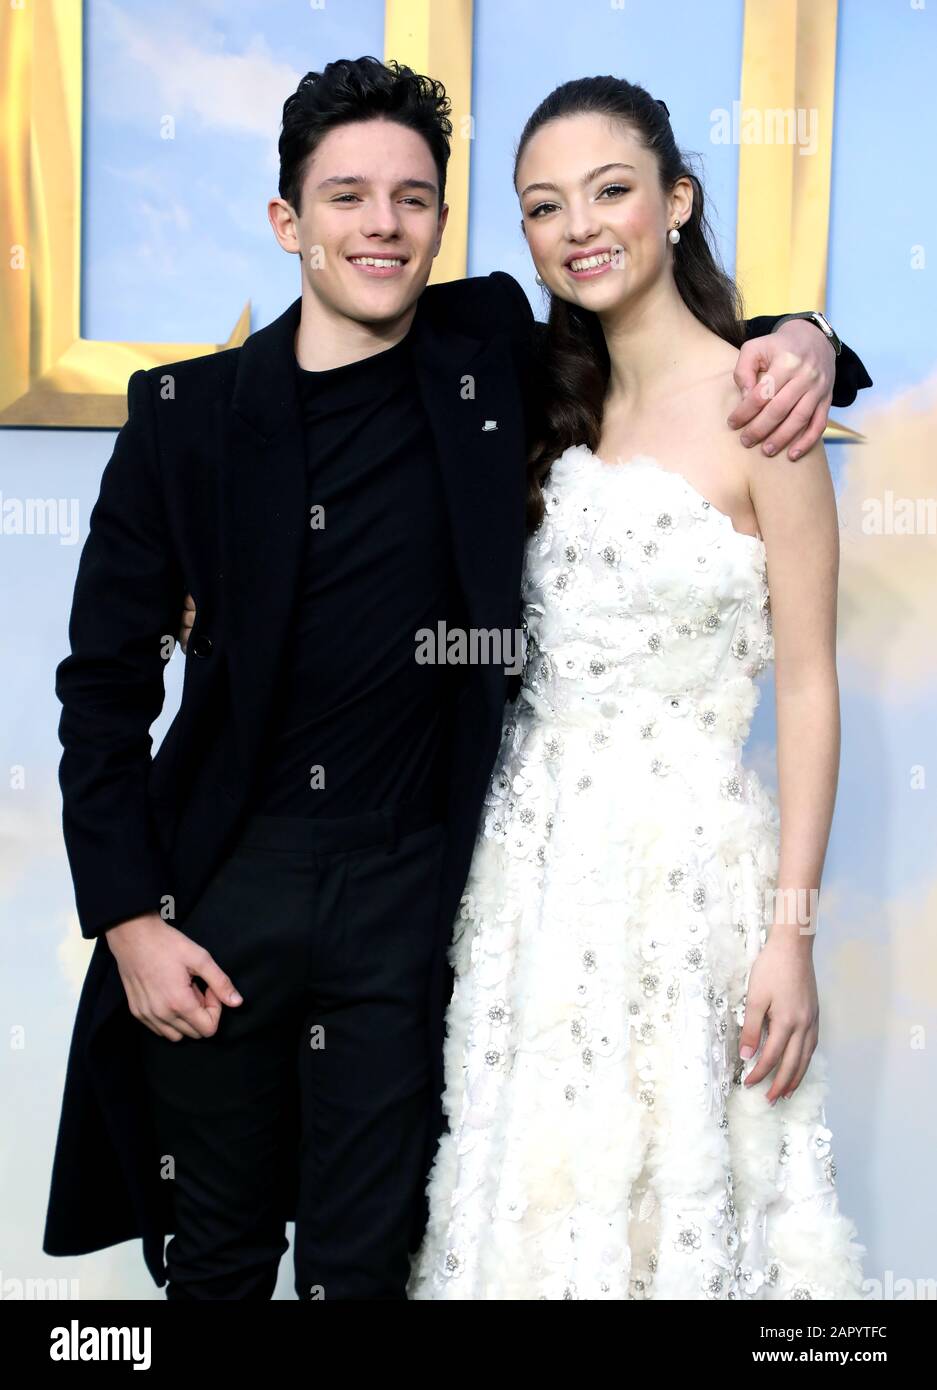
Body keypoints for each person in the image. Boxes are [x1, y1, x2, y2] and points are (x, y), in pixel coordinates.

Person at [44, 57, 869, 1300]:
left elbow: (666, 336)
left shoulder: (485, 355)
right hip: (222, 888)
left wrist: (807, 336)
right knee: (212, 1257)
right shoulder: (184, 415)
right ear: (288, 221)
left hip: (414, 894)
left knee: (371, 1259)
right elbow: (98, 688)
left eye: (414, 199)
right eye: (346, 198)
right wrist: (129, 918)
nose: (382, 225)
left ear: (440, 223)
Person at [407, 76, 868, 1300]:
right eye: (543, 207)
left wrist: (792, 932)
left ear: (677, 199)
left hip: (688, 883)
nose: (581, 226)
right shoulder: (532, 398)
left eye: (611, 190)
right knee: (531, 1204)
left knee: (688, 1211)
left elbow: (812, 686)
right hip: (530, 878)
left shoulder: (765, 406)